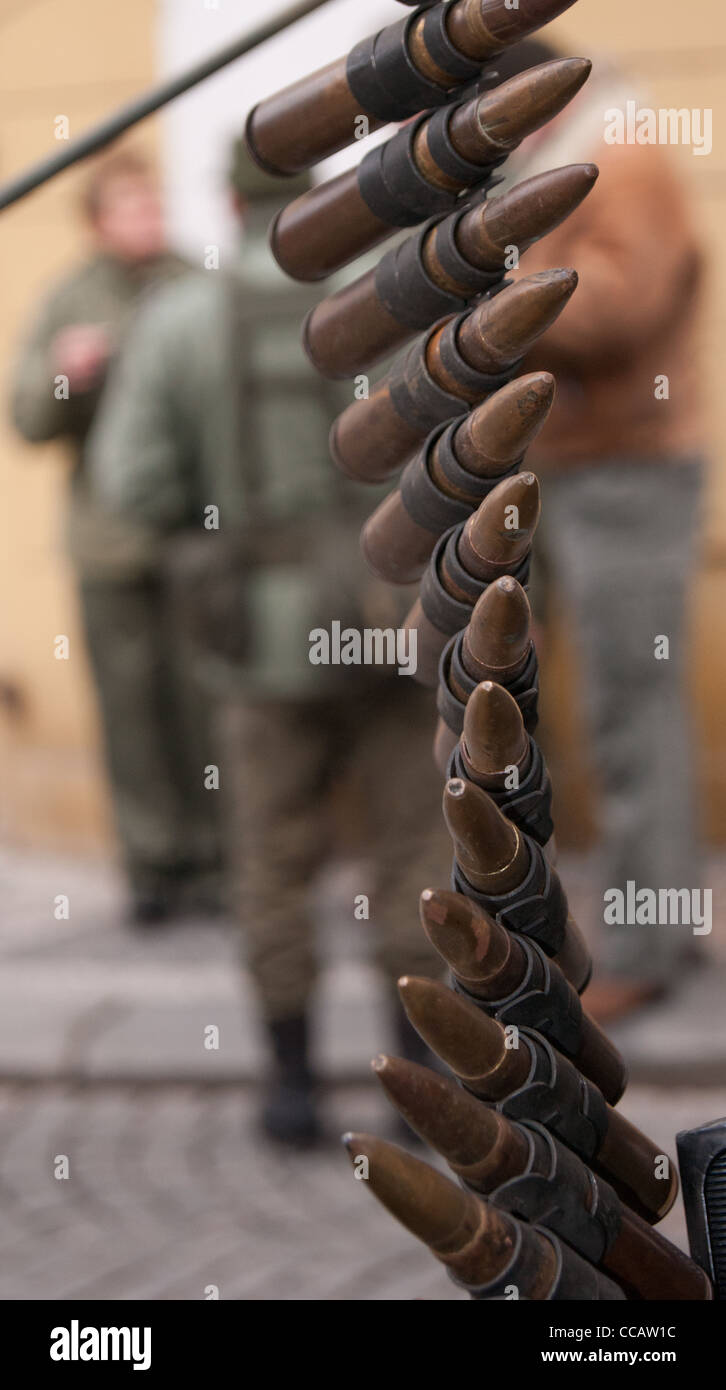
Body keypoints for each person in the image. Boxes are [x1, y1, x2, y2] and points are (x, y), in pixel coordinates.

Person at [89, 142, 448, 1145]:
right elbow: (461, 449)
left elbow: (135, 483)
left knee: (270, 858)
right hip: (394, 620)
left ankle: (291, 1088)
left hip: (258, 637)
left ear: (231, 199)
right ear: (330, 195)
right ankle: (416, 1086)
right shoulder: (399, 298)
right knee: (414, 854)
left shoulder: (176, 320)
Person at [489, 42, 706, 1021]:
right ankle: (659, 920)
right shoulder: (571, 158)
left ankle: (647, 944)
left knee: (630, 710)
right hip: (583, 462)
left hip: (629, 466)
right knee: (618, 707)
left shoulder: (623, 154)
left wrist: (497, 284)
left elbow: (620, 306)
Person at [10, 149, 223, 924]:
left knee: (204, 706)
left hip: (191, 535)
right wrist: (68, 372)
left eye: (154, 203)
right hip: (109, 544)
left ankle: (215, 863)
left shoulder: (194, 283)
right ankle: (153, 867)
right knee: (130, 713)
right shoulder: (70, 298)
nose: (148, 218)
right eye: (130, 207)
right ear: (97, 222)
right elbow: (29, 417)